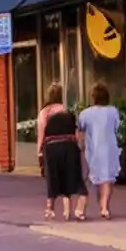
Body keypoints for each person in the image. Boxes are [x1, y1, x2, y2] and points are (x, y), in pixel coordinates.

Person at [36, 83, 86, 221]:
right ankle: (67, 210)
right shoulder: (65, 110)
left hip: (52, 148)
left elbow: (41, 135)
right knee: (68, 176)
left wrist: (39, 152)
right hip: (69, 147)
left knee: (52, 178)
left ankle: (50, 209)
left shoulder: (44, 113)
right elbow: (75, 132)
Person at [78, 82, 121, 219]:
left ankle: (99, 204)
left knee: (96, 178)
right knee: (107, 178)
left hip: (94, 149)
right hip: (110, 147)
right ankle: (104, 207)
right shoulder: (113, 111)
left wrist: (80, 145)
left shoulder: (85, 114)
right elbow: (116, 127)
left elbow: (80, 129)